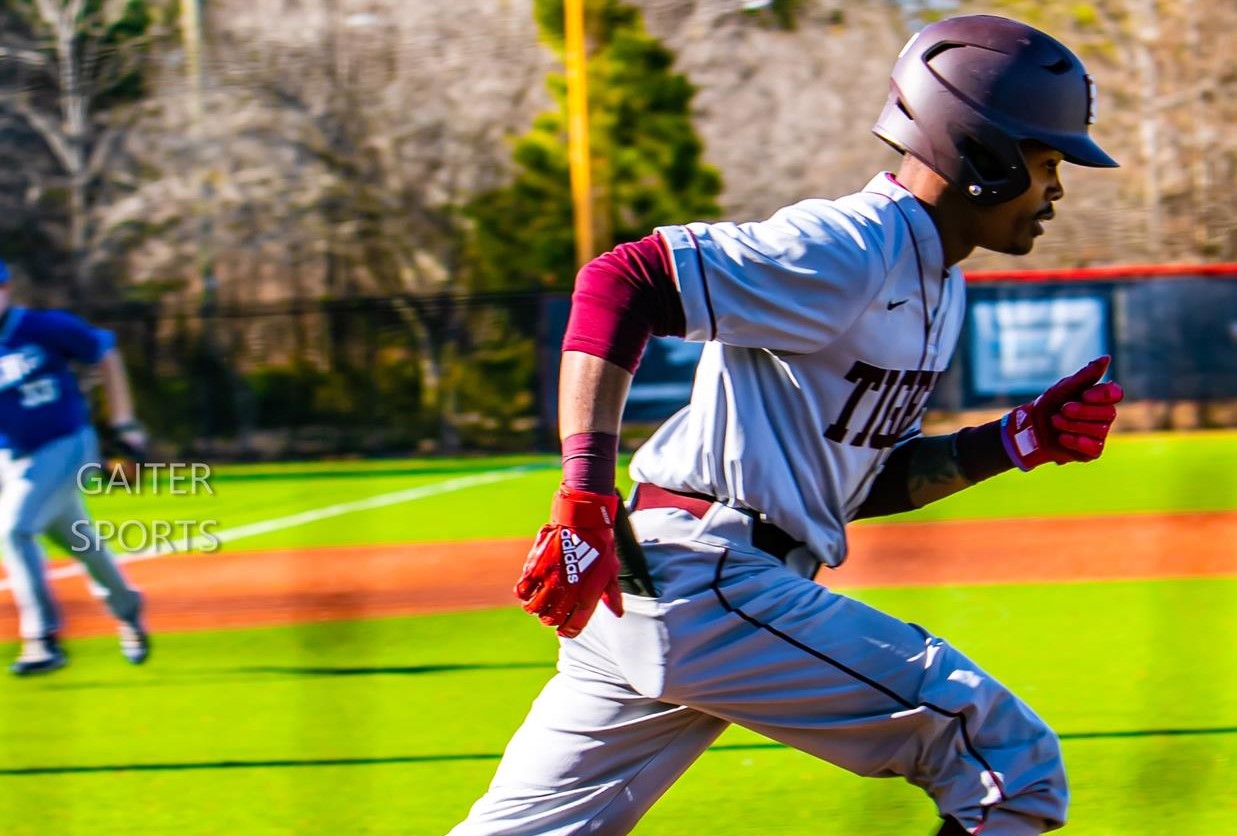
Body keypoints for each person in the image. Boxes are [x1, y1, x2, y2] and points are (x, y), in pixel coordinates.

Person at [453, 15, 1124, 836]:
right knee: (1007, 764)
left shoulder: (937, 286)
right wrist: (583, 493)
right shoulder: (851, 246)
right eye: (1045, 162)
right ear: (983, 153)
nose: (1055, 188)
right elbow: (620, 280)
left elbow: (856, 486)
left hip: (674, 583)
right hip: (705, 578)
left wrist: (1014, 441)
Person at [0, 252, 151, 675]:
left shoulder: (44, 327)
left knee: (11, 528)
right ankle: (128, 606)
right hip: (9, 461)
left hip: (66, 444)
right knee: (81, 541)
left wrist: (123, 420)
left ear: (5, 289)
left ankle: (41, 638)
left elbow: (105, 352)